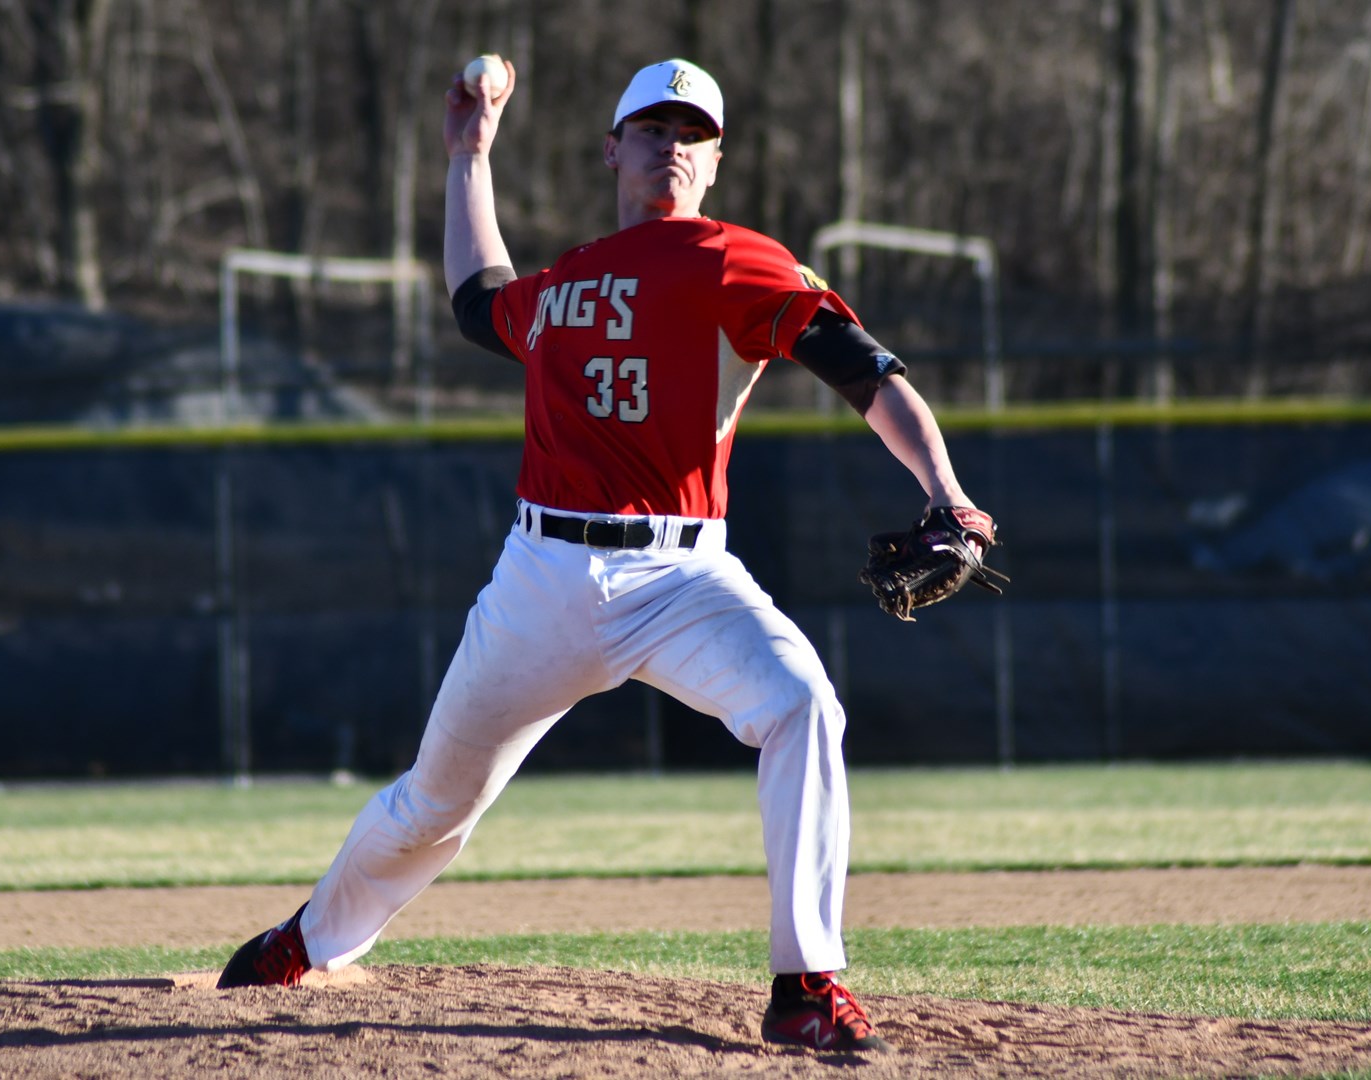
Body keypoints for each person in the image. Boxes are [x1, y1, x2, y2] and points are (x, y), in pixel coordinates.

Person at [218, 56, 994, 1056]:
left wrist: (948, 494)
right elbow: (476, 298)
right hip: (539, 578)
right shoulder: (568, 281)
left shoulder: (738, 260)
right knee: (434, 804)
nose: (671, 143)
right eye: (651, 128)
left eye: (692, 133)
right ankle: (308, 940)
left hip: (683, 578)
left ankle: (806, 983)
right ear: (612, 150)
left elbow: (866, 373)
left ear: (714, 162)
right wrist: (468, 153)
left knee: (802, 704)